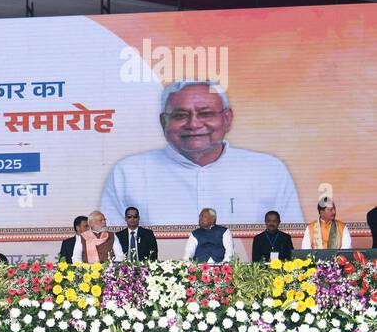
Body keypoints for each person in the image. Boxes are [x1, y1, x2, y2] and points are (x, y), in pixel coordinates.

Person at [100, 80, 303, 226]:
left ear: (227, 118)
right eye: (181, 115)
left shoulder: (269, 170)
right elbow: (111, 251)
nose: (194, 124)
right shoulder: (128, 173)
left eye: (206, 113)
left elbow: (292, 242)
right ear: (164, 122)